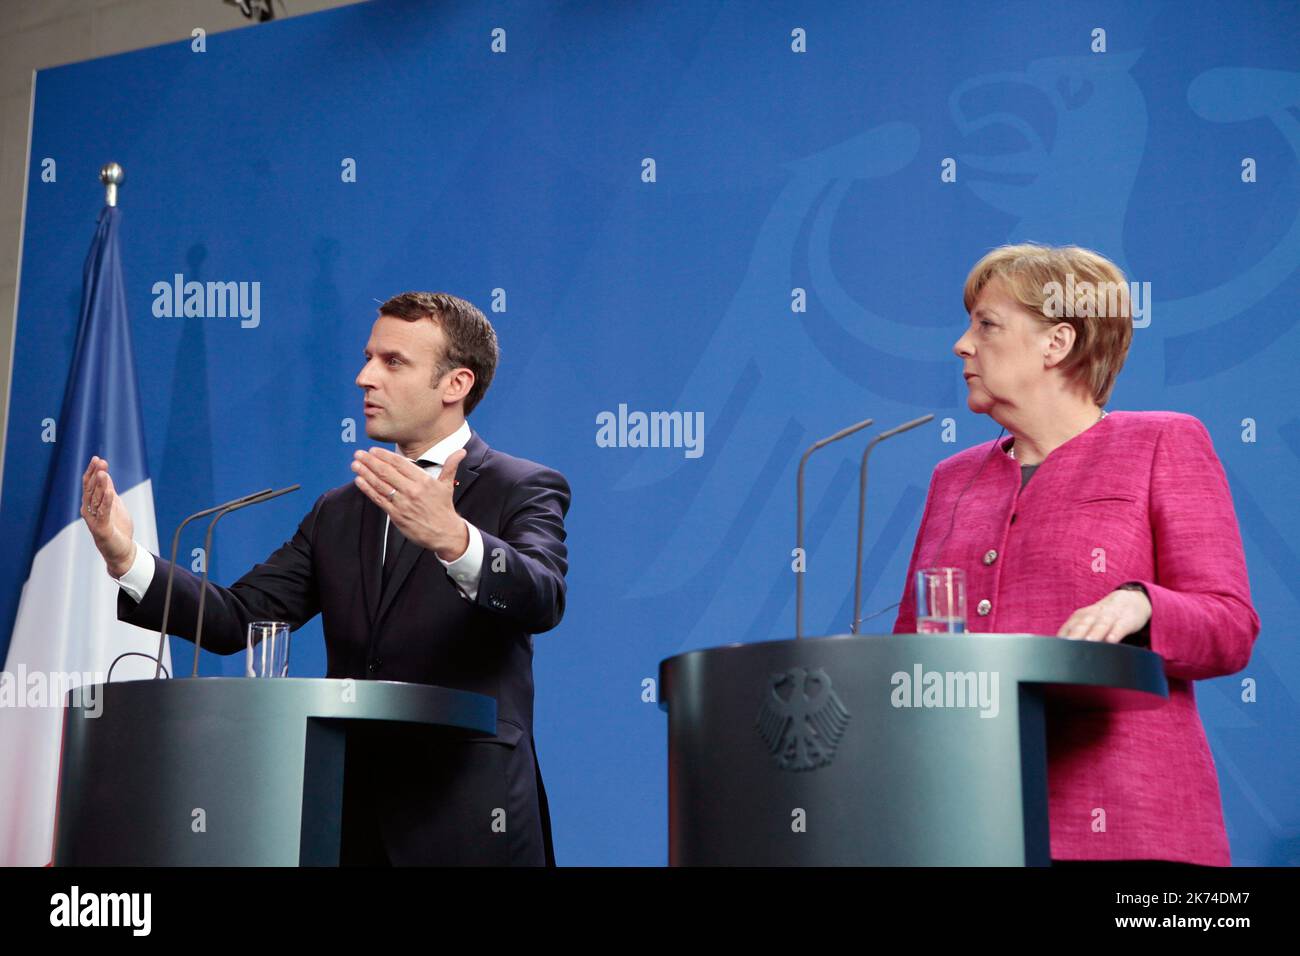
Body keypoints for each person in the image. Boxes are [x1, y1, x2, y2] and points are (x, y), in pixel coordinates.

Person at [80, 291, 570, 866]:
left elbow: (543, 595)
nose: (365, 377)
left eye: (393, 362)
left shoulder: (523, 486)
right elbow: (237, 619)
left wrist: (455, 540)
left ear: (455, 384)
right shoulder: (339, 510)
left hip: (467, 820)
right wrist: (124, 556)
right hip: (344, 818)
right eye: (368, 357)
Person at [891, 243, 1260, 866]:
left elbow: (1229, 626)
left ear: (1056, 343)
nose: (961, 344)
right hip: (968, 828)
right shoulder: (951, 479)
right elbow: (913, 650)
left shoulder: (1162, 441)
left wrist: (1141, 603)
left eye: (986, 325)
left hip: (1130, 829)